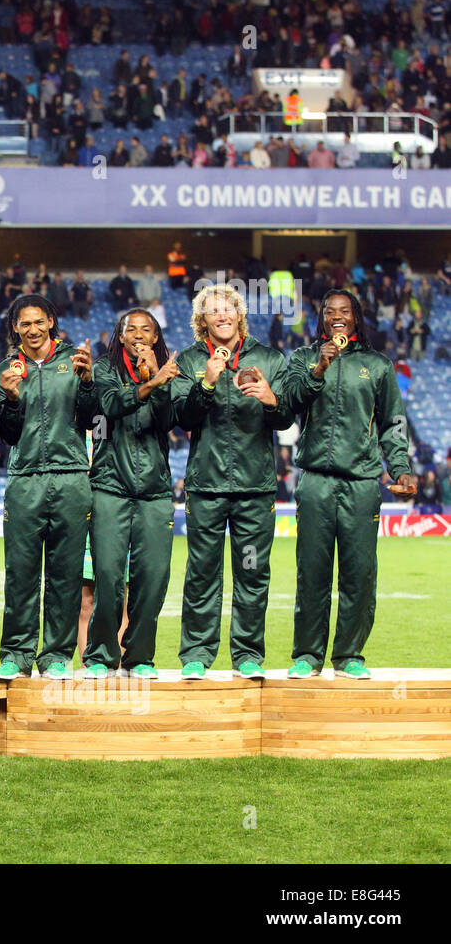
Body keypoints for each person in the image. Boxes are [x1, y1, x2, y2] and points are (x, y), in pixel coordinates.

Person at [282, 289, 417, 679]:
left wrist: (401, 468)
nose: (337, 317)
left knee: (359, 572)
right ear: (321, 318)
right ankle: (307, 654)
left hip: (361, 482)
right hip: (315, 482)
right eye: (329, 312)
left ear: (356, 317)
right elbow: (288, 404)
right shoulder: (304, 358)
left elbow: (393, 423)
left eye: (345, 311)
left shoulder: (377, 365)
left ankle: (349, 655)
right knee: (312, 572)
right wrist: (319, 370)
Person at [171, 284, 295, 679]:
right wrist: (206, 383)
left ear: (240, 314)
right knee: (202, 573)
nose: (222, 316)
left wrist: (271, 400)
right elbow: (182, 419)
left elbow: (288, 418)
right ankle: (196, 654)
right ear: (201, 320)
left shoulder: (270, 359)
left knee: (251, 571)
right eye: (213, 311)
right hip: (205, 487)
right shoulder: (189, 360)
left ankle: (247, 655)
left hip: (255, 489)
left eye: (228, 309)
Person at [0, 295, 95, 680]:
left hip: (71, 477)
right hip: (25, 479)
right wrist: (12, 399)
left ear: (51, 321)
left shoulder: (77, 362)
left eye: (39, 322)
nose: (32, 330)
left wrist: (86, 383)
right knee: (20, 572)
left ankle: (54, 655)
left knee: (66, 573)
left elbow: (93, 418)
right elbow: (4, 435)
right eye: (24, 323)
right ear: (15, 328)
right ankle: (16, 654)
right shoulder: (5, 369)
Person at [82, 308, 180, 678]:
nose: (138, 335)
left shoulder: (169, 369)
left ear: (155, 337)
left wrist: (158, 378)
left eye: (146, 330)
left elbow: (169, 419)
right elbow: (109, 406)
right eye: (131, 329)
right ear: (121, 336)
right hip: (110, 487)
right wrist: (151, 383)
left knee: (152, 578)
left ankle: (140, 657)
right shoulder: (105, 369)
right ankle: (100, 656)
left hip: (155, 490)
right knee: (107, 576)